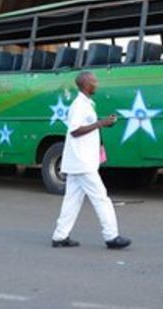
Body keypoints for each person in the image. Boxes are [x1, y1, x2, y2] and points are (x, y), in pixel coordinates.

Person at [51, 72, 130, 250]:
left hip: (80, 161)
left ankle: (60, 236)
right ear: (86, 84)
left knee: (72, 200)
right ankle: (111, 237)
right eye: (94, 81)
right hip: (82, 162)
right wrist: (101, 123)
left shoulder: (86, 104)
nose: (97, 83)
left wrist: (103, 124)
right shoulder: (79, 105)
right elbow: (75, 131)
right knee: (101, 198)